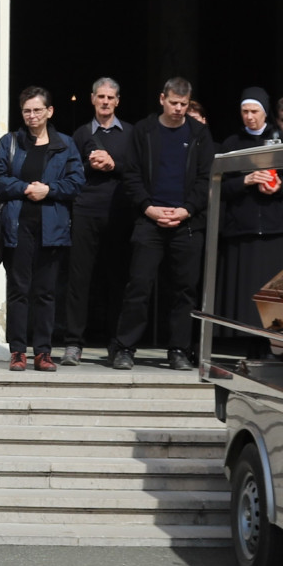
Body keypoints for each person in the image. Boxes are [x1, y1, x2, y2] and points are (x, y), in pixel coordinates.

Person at [111, 78, 215, 371]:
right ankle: (125, 347)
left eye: (184, 104)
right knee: (139, 285)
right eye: (174, 103)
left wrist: (186, 210)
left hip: (187, 223)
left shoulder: (199, 133)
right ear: (162, 99)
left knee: (184, 290)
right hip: (149, 220)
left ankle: (179, 350)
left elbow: (205, 178)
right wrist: (149, 208)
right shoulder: (144, 130)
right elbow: (131, 175)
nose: (179, 109)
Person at [0, 87, 84, 371]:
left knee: (45, 291)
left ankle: (43, 351)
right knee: (18, 290)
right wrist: (25, 188)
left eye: (37, 110)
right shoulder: (11, 142)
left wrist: (49, 190)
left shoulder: (65, 145)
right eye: (27, 111)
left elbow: (77, 182)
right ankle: (17, 351)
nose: (32, 116)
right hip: (17, 227)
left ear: (49, 112)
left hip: (51, 228)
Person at [214, 88, 283, 359]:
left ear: (265, 113)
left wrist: (278, 186)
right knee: (246, 294)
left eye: (254, 111)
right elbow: (220, 186)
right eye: (245, 112)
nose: (249, 117)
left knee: (272, 292)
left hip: (275, 228)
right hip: (244, 226)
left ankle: (274, 344)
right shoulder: (231, 143)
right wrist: (246, 180)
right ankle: (246, 342)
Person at [57, 77, 135, 366]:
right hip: (85, 212)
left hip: (119, 213)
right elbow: (68, 174)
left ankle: (118, 346)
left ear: (117, 101)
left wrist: (114, 164)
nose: (105, 101)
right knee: (79, 280)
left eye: (110, 97)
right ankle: (73, 343)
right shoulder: (79, 134)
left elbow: (139, 172)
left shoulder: (131, 134)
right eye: (100, 96)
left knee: (118, 281)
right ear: (92, 99)